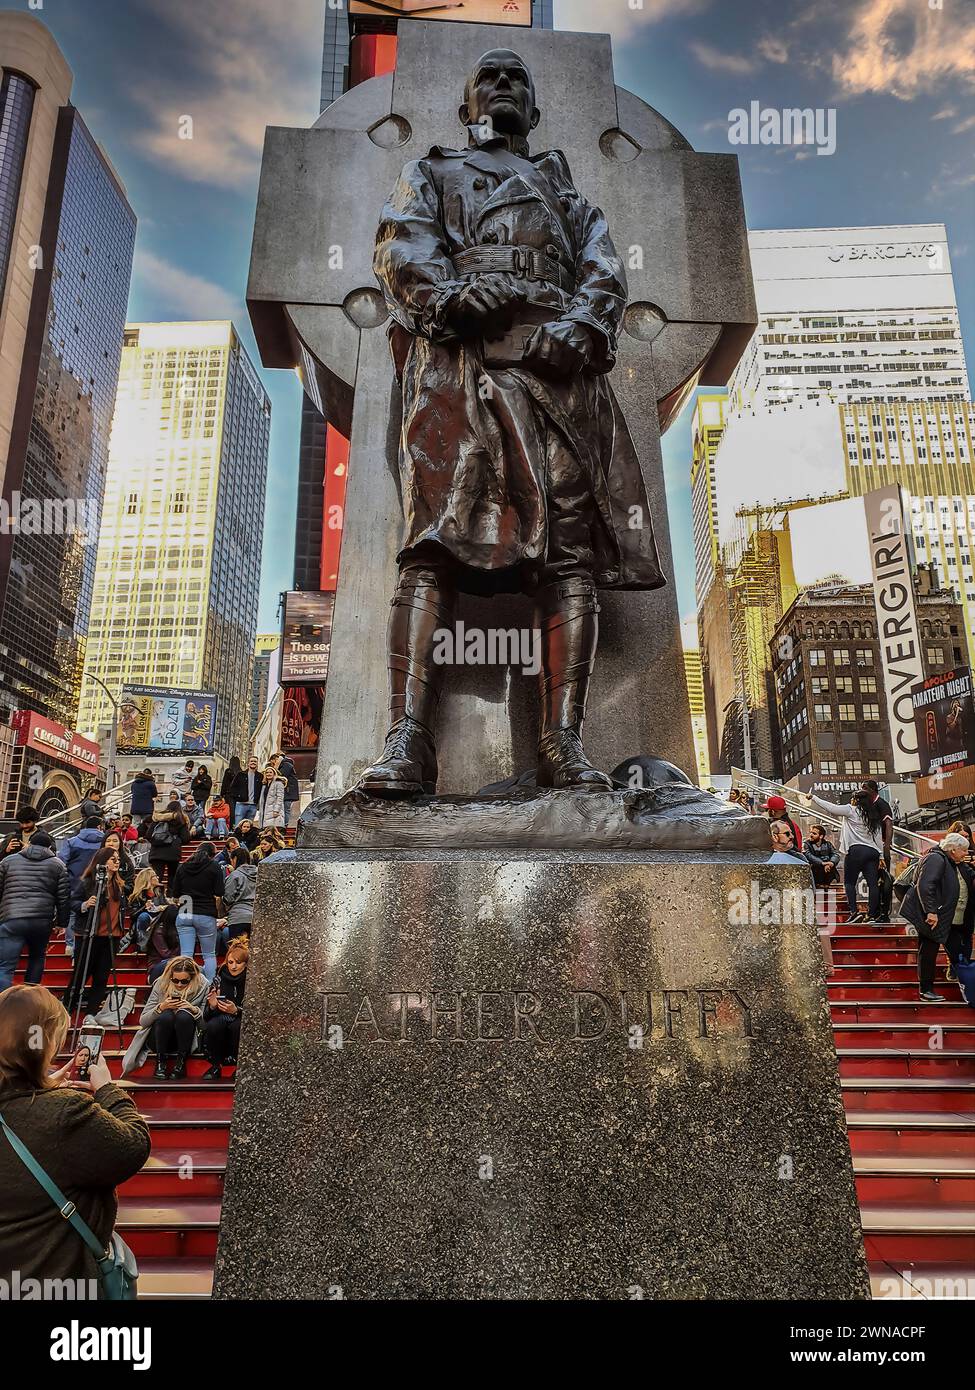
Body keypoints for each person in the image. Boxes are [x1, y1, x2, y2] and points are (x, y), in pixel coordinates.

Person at [0, 986, 150, 1292]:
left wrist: (39, 1087)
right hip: (56, 1282)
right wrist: (108, 1089)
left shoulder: (48, 1107)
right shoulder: (64, 1112)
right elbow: (133, 1146)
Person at [900, 833, 975, 1002]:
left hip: (943, 917)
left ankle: (966, 986)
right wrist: (931, 911)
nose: (965, 853)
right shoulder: (936, 859)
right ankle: (925, 990)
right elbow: (926, 885)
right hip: (932, 916)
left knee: (956, 952)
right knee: (928, 951)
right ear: (953, 849)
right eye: (963, 850)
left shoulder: (949, 861)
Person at [802, 789, 886, 925]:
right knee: (873, 885)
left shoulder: (851, 810)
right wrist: (881, 856)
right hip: (873, 852)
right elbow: (877, 836)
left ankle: (854, 912)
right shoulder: (873, 814)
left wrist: (814, 798)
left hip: (856, 850)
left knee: (849, 882)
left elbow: (831, 808)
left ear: (855, 800)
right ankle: (871, 915)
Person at [0, 831, 70, 991]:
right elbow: (63, 897)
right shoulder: (58, 864)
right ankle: (29, 999)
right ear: (49, 847)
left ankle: (2, 1005)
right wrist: (62, 922)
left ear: (29, 843)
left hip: (11, 918)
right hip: (41, 920)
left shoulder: (8, 861)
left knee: (5, 967)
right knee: (37, 958)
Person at [62, 848, 128, 1018]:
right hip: (88, 935)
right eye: (112, 859)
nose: (116, 862)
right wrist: (85, 904)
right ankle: (66, 1010)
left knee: (101, 977)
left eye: (117, 859)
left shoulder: (119, 885)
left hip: (111, 937)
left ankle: (91, 1014)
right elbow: (73, 902)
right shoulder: (89, 882)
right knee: (80, 975)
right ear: (102, 861)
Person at [123, 956, 208, 1080]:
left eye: (184, 981)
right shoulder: (161, 983)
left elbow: (204, 1026)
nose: (179, 984)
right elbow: (143, 1021)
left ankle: (181, 1064)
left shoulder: (202, 985)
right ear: (170, 977)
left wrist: (193, 1010)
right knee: (166, 1015)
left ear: (192, 978)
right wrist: (161, 1007)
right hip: (159, 1038)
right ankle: (160, 1063)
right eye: (175, 980)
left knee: (184, 1015)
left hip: (185, 1039)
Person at [172, 843, 224, 981]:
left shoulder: (183, 866)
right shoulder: (214, 866)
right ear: (212, 854)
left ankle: (183, 982)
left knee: (186, 954)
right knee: (209, 954)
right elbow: (219, 891)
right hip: (205, 910)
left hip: (185, 907)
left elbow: (176, 892)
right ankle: (210, 986)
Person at [58, 817, 104, 958]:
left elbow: (62, 861)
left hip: (75, 882)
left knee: (73, 912)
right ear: (99, 826)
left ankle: (71, 945)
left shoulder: (72, 841)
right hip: (98, 882)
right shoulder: (105, 841)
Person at [201, 940, 248, 1079]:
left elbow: (257, 1012)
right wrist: (213, 1006)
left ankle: (239, 1066)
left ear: (246, 964)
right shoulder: (219, 978)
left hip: (240, 1018)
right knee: (213, 1025)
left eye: (238, 963)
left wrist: (237, 1010)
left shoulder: (251, 980)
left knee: (237, 1027)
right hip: (221, 1016)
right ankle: (216, 1065)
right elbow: (207, 1015)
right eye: (230, 962)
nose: (233, 967)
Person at [217, 847, 257, 952]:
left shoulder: (234, 875)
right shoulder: (260, 873)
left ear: (235, 859)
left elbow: (228, 898)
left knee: (238, 951)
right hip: (256, 915)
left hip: (238, 917)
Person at [147, 802, 189, 892]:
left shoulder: (158, 818)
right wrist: (176, 840)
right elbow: (186, 839)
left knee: (156, 877)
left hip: (157, 852)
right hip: (173, 853)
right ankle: (171, 897)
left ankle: (154, 897)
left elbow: (148, 835)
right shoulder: (181, 820)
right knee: (172, 877)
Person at [128, 867, 168, 951]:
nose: (157, 877)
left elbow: (165, 907)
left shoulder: (159, 893)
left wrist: (165, 907)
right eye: (154, 876)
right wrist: (144, 907)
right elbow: (132, 916)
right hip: (144, 923)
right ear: (147, 879)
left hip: (157, 921)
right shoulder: (138, 896)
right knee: (144, 916)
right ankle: (142, 944)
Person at [860, 779, 894, 873]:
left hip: (881, 842)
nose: (862, 790)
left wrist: (887, 844)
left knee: (883, 868)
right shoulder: (868, 804)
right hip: (871, 841)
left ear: (873, 789)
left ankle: (886, 879)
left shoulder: (881, 804)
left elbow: (889, 824)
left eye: (865, 788)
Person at [144, 903, 181, 984]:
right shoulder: (158, 931)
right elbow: (166, 954)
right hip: (157, 967)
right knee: (173, 963)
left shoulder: (176, 931)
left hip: (173, 963)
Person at [805, 823, 841, 889]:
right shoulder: (807, 844)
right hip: (814, 873)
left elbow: (836, 854)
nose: (811, 835)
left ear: (821, 836)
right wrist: (822, 863)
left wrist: (831, 863)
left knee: (827, 897)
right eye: (811, 833)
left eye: (814, 833)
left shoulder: (828, 844)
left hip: (827, 873)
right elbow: (808, 855)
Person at [230, 756, 261, 825]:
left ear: (257, 763)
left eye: (255, 761)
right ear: (248, 763)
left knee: (249, 826)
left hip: (253, 805)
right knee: (238, 825)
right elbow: (232, 787)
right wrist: (238, 797)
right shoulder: (240, 774)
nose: (253, 763)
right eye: (251, 761)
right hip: (241, 804)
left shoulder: (260, 776)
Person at [272, 752, 300, 828]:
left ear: (276, 759)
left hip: (287, 792)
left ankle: (284, 825)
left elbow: (281, 775)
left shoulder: (286, 765)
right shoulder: (286, 764)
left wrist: (276, 767)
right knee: (284, 809)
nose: (273, 764)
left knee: (285, 810)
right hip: (287, 792)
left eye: (273, 762)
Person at [257, 765, 287, 829]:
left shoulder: (278, 783)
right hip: (265, 810)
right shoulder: (264, 785)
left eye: (270, 772)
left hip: (274, 811)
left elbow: (280, 798)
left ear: (274, 773)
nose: (268, 774)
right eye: (267, 772)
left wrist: (276, 810)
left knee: (274, 831)